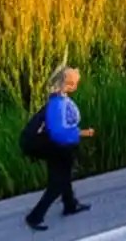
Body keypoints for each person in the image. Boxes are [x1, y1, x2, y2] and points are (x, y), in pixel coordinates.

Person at [25, 67, 93, 232]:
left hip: (53, 144)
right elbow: (58, 132)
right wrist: (80, 133)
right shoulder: (56, 103)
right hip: (49, 145)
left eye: (75, 83)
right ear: (61, 83)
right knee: (58, 182)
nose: (74, 87)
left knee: (65, 172)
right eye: (70, 83)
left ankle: (70, 205)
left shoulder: (59, 98)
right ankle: (34, 217)